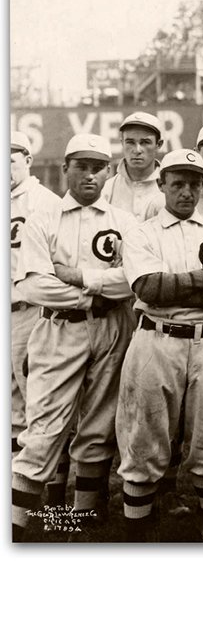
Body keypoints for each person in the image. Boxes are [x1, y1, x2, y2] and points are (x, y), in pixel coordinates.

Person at [116, 150, 203, 542]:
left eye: (194, 183)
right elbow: (148, 288)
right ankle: (136, 542)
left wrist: (178, 287)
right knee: (144, 444)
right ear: (161, 184)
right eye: (178, 183)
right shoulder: (143, 233)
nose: (187, 191)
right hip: (155, 342)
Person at [11, 135, 136, 541]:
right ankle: (13, 530)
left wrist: (82, 279)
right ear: (65, 169)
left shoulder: (124, 222)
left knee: (98, 430)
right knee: (43, 429)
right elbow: (33, 287)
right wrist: (94, 291)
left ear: (109, 171)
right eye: (80, 165)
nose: (89, 174)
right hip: (57, 328)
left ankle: (78, 528)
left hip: (110, 328)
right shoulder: (43, 219)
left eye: (97, 166)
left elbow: (132, 281)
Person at [10, 133, 62, 470]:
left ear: (28, 161)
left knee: (40, 401)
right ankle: (15, 483)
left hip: (31, 313)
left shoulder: (44, 201)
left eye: (11, 160)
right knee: (11, 405)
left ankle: (54, 492)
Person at [101, 111, 165, 220]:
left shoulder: (171, 188)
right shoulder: (106, 190)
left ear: (158, 145)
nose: (137, 150)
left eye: (145, 142)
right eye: (130, 142)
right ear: (122, 143)